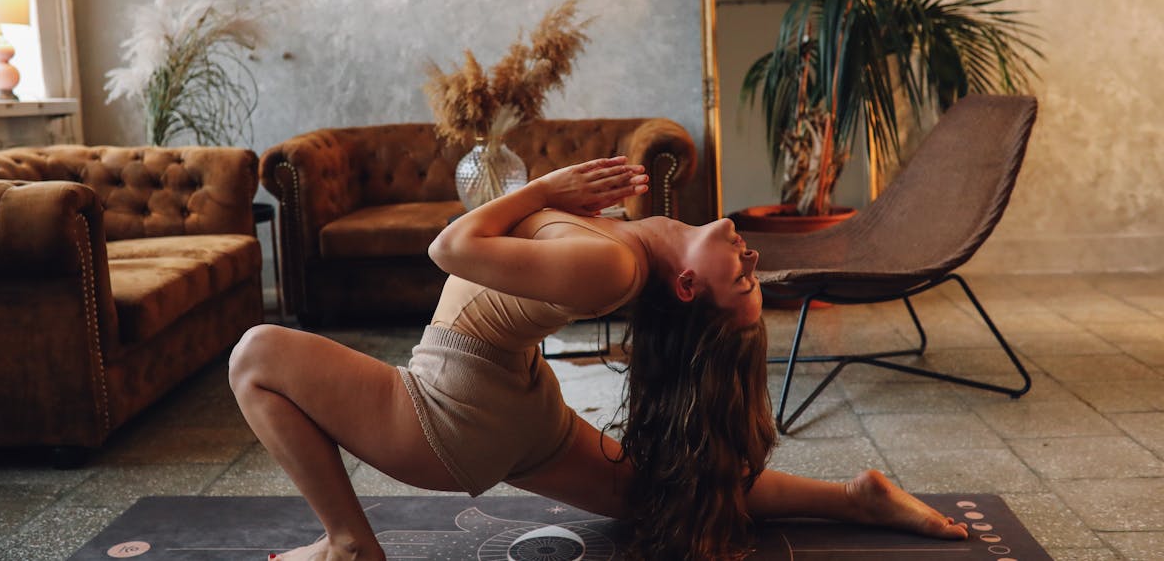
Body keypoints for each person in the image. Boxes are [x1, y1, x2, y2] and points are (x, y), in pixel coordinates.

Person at [229, 156, 968, 560]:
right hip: (514, 404)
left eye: (738, 277)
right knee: (665, 490)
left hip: (446, 413)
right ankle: (854, 497)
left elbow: (446, 247)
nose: (748, 255)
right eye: (753, 270)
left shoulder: (613, 267)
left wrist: (546, 188)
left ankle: (350, 543)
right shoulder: (629, 240)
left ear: (687, 286)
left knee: (255, 354)